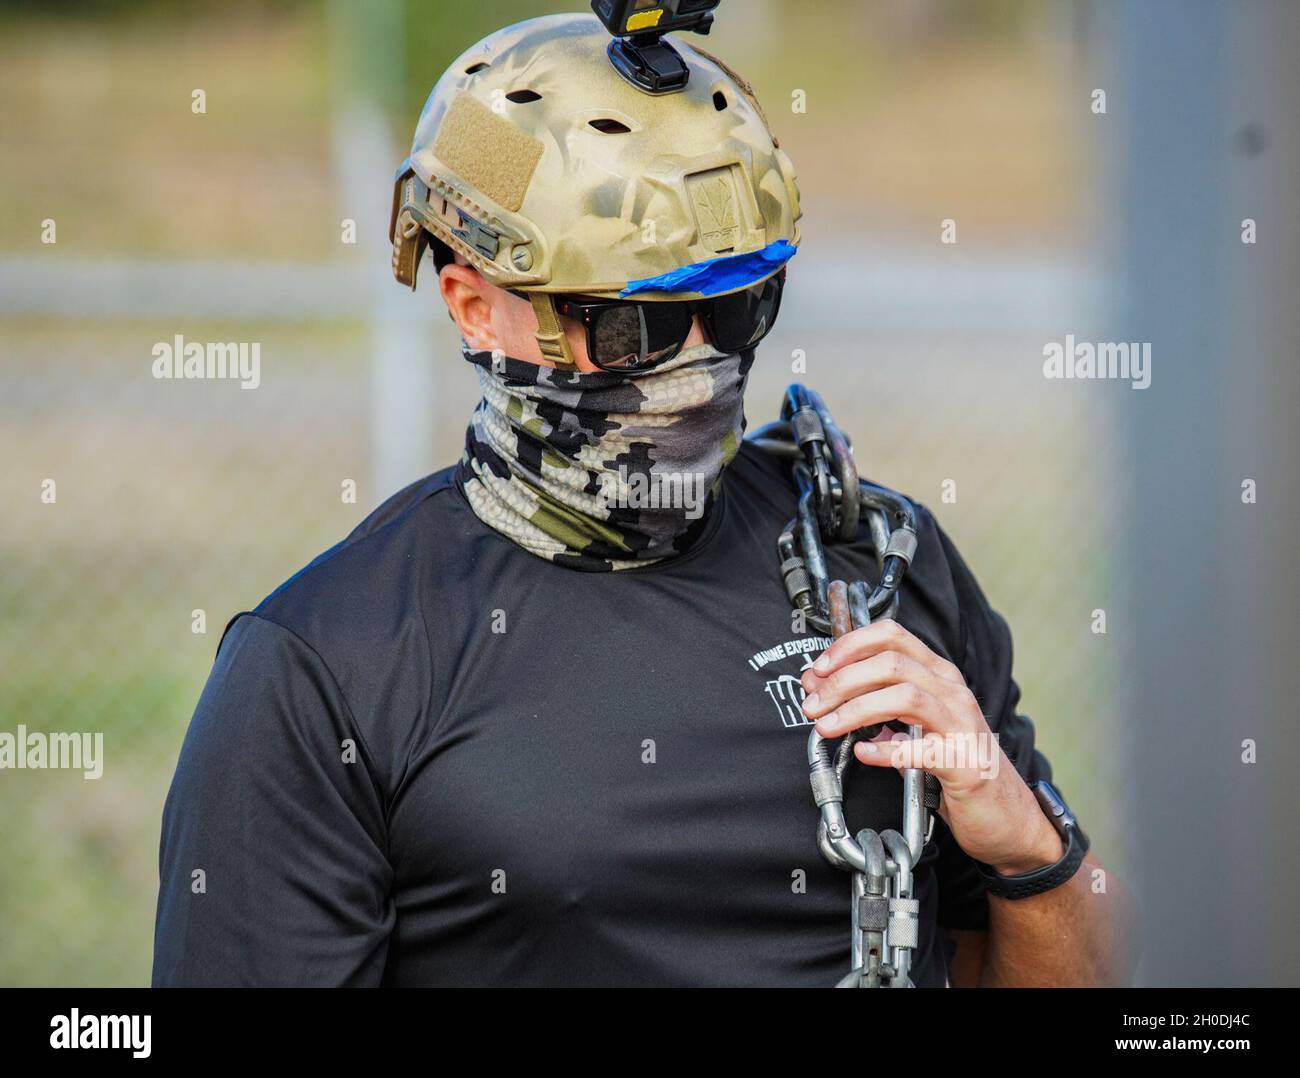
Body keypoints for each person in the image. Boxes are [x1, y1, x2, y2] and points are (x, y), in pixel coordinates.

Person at [153, 13, 1134, 987]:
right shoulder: (330, 666)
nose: (702, 360)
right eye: (635, 326)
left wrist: (1021, 842)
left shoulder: (880, 566)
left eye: (740, 304)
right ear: (472, 305)